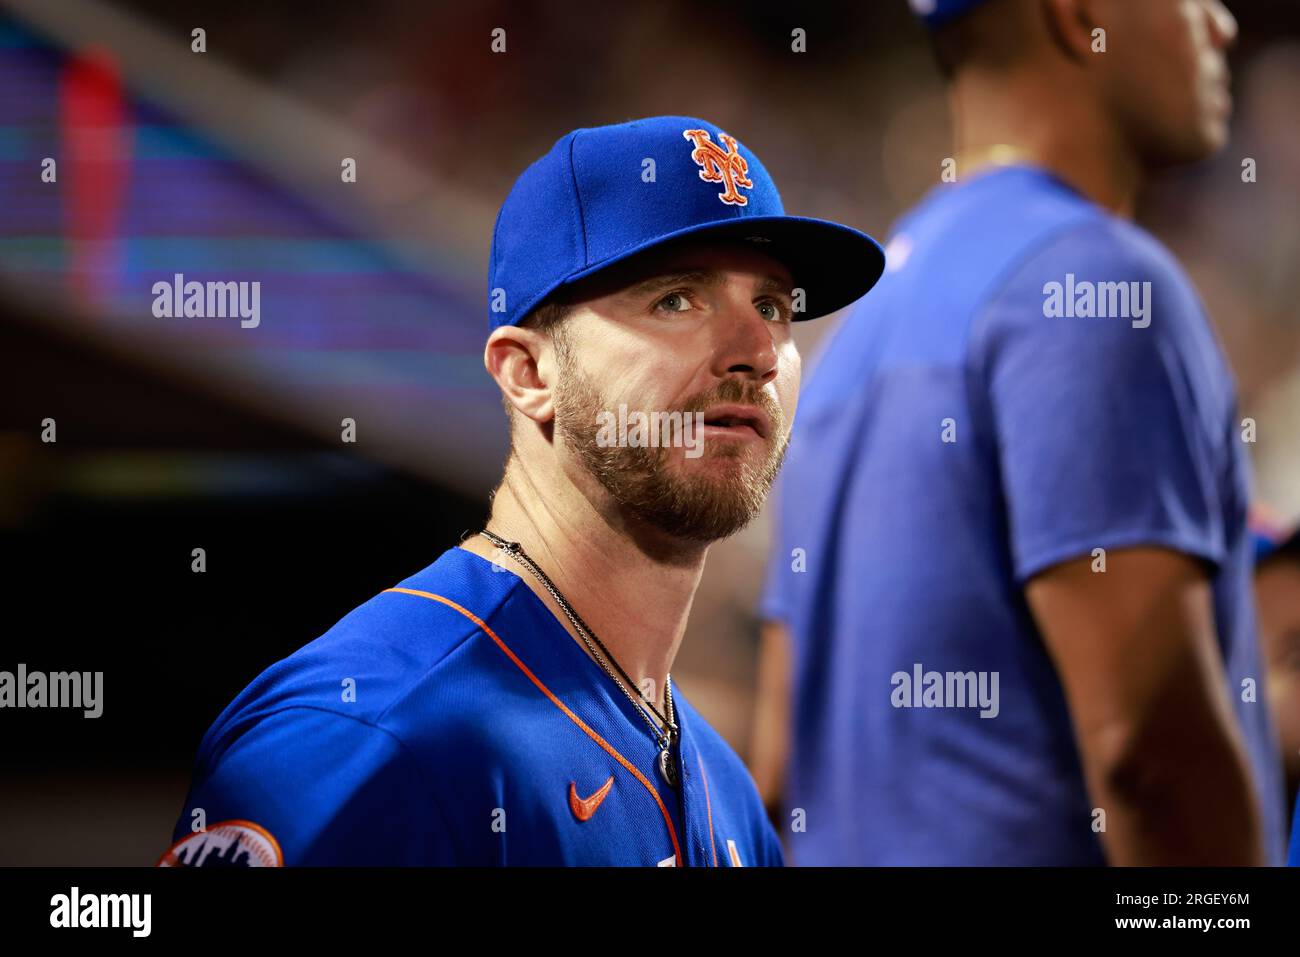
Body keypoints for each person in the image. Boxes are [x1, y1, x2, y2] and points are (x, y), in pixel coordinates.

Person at [156, 115, 885, 866]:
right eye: (677, 299)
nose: (759, 352)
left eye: (773, 307)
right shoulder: (368, 734)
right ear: (530, 374)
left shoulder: (723, 791)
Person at [754, 0, 1288, 864]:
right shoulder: (1093, 283)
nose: (1224, 25)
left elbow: (778, 762)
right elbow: (1145, 755)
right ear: (1081, 16)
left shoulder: (853, 330)